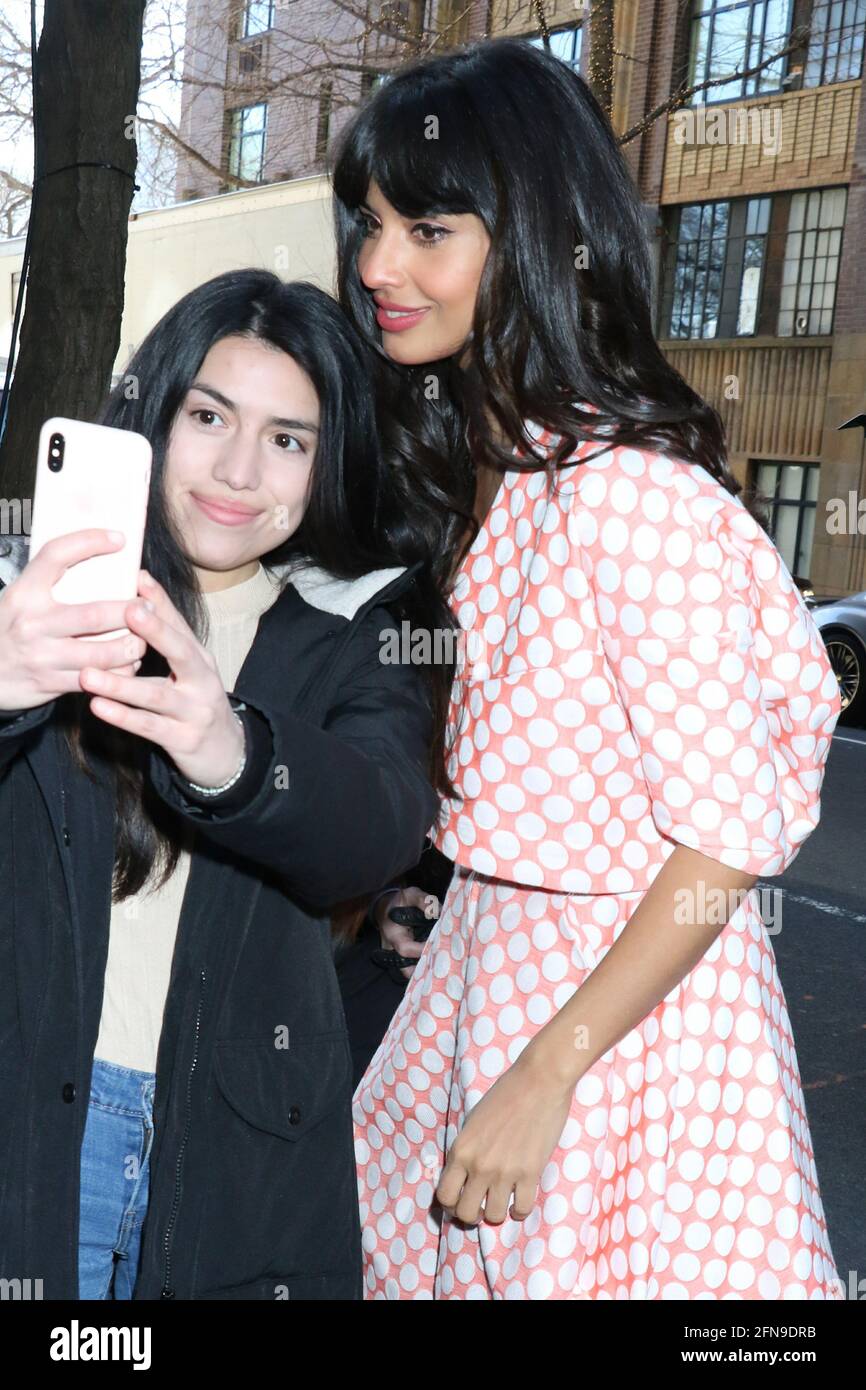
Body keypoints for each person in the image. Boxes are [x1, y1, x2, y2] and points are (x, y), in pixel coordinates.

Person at [331, 38, 846, 1299]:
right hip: (499, 1001)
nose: (377, 265)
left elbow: (722, 842)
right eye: (371, 222)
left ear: (535, 240)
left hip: (621, 1054)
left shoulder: (626, 499)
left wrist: (546, 1070)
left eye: (427, 227)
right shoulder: (504, 483)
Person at [0, 269, 447, 1300]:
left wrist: (237, 754)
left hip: (235, 1152)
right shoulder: (31, 594)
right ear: (152, 413)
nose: (240, 470)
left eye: (289, 438)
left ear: (327, 464)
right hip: (35, 1128)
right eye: (210, 416)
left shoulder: (353, 638)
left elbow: (378, 827)